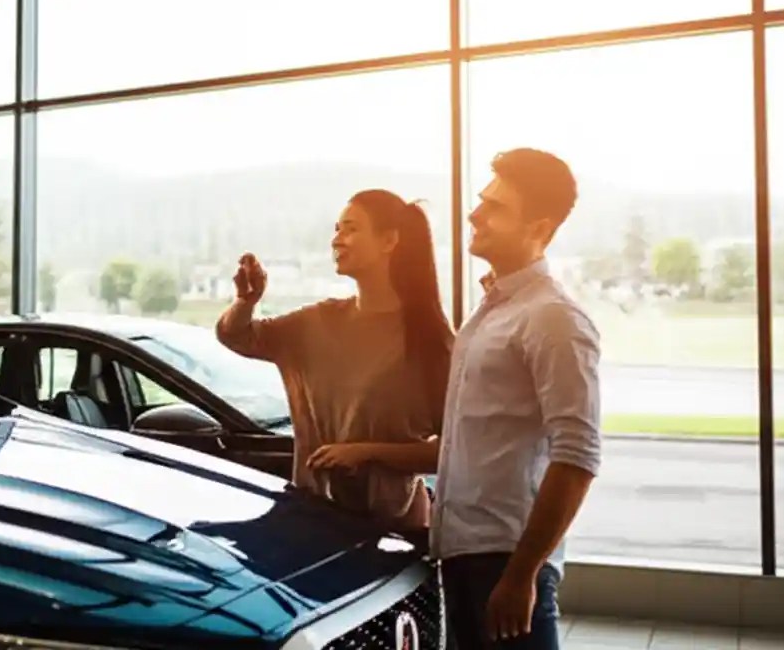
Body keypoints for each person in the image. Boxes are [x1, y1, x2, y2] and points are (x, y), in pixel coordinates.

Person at [431, 148, 601, 650]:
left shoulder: (553, 319)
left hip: (505, 559)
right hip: (463, 552)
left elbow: (578, 457)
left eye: (495, 207)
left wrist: (522, 575)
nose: (474, 213)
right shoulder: (493, 311)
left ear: (539, 229)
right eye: (482, 200)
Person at [216, 189, 453, 531]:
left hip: (395, 531)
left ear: (389, 241)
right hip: (314, 522)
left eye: (351, 229)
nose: (336, 240)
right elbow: (235, 335)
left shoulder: (431, 342)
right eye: (337, 229)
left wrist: (367, 452)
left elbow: (452, 452)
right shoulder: (318, 321)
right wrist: (245, 301)